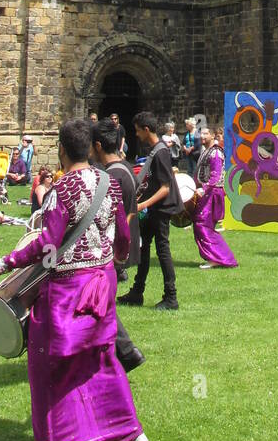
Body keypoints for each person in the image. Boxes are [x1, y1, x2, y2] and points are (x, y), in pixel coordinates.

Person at [0, 118, 144, 441]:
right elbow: (123, 232)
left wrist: (3, 263)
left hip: (68, 291)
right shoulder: (108, 182)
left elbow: (48, 243)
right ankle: (125, 429)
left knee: (48, 366)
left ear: (62, 150)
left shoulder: (63, 188)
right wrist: (114, 257)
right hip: (102, 283)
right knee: (100, 358)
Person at [91, 118, 145, 372]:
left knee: (96, 304)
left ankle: (123, 351)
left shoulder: (110, 177)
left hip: (106, 249)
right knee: (101, 304)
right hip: (117, 247)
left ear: (98, 146)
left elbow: (116, 217)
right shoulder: (126, 169)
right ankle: (124, 351)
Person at [118, 111, 180, 311]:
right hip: (153, 208)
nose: (136, 135)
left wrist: (142, 205)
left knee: (163, 250)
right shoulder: (156, 150)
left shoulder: (161, 152)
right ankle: (137, 292)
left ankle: (171, 297)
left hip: (161, 209)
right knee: (144, 248)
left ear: (146, 129)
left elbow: (165, 188)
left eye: (137, 131)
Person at [191, 128, 238, 269]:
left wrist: (203, 189)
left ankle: (220, 258)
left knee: (203, 224)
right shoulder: (206, 151)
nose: (202, 136)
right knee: (202, 224)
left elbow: (216, 176)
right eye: (201, 134)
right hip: (207, 192)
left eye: (206, 133)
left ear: (212, 135)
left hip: (212, 193)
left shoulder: (216, 153)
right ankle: (215, 257)